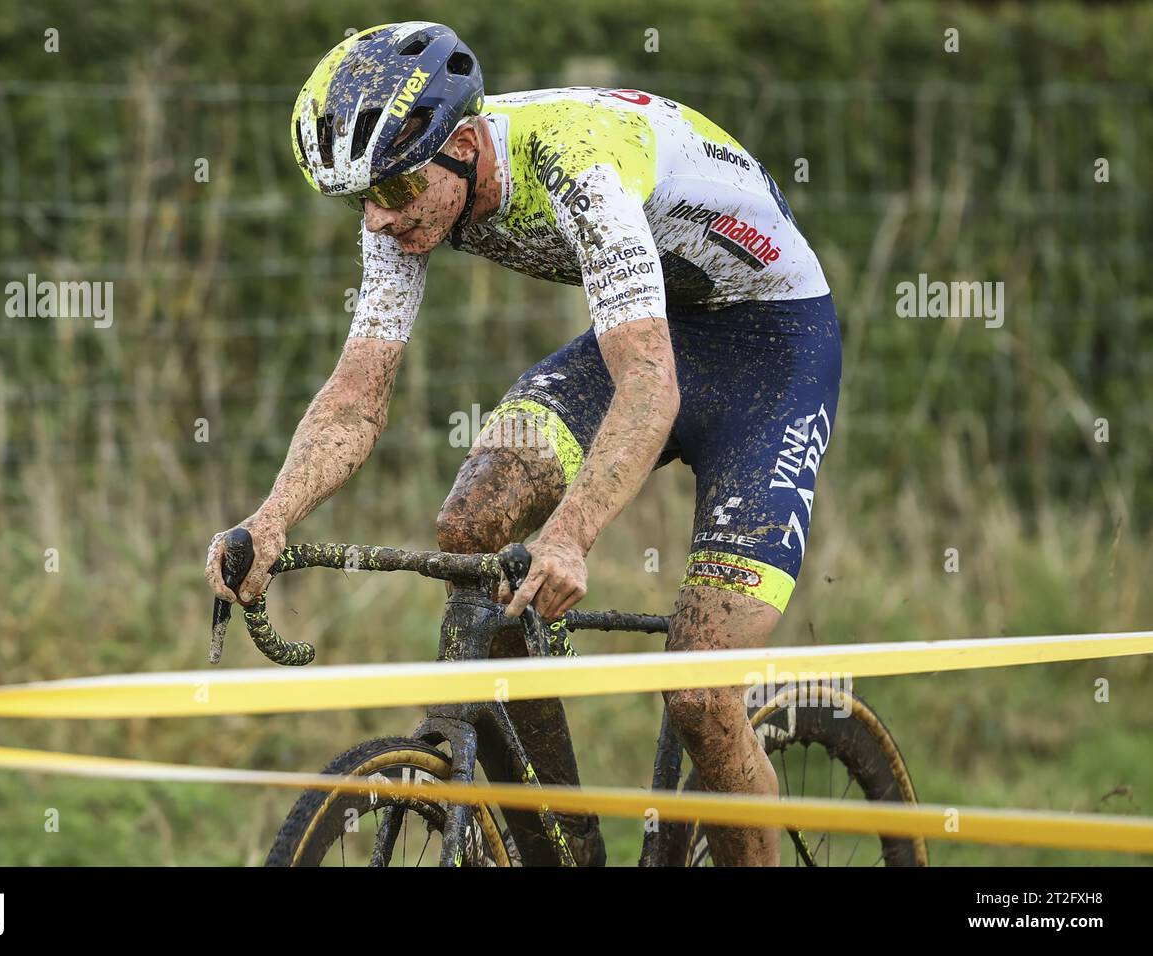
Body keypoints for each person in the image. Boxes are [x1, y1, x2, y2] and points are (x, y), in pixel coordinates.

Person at [205, 21, 841, 867]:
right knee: (473, 525)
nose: (378, 219)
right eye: (360, 198)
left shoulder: (577, 165)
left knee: (698, 689)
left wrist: (572, 535)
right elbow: (357, 396)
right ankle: (561, 837)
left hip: (774, 352)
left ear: (465, 145)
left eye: (392, 193)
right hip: (660, 327)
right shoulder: (408, 196)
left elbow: (650, 386)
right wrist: (273, 517)